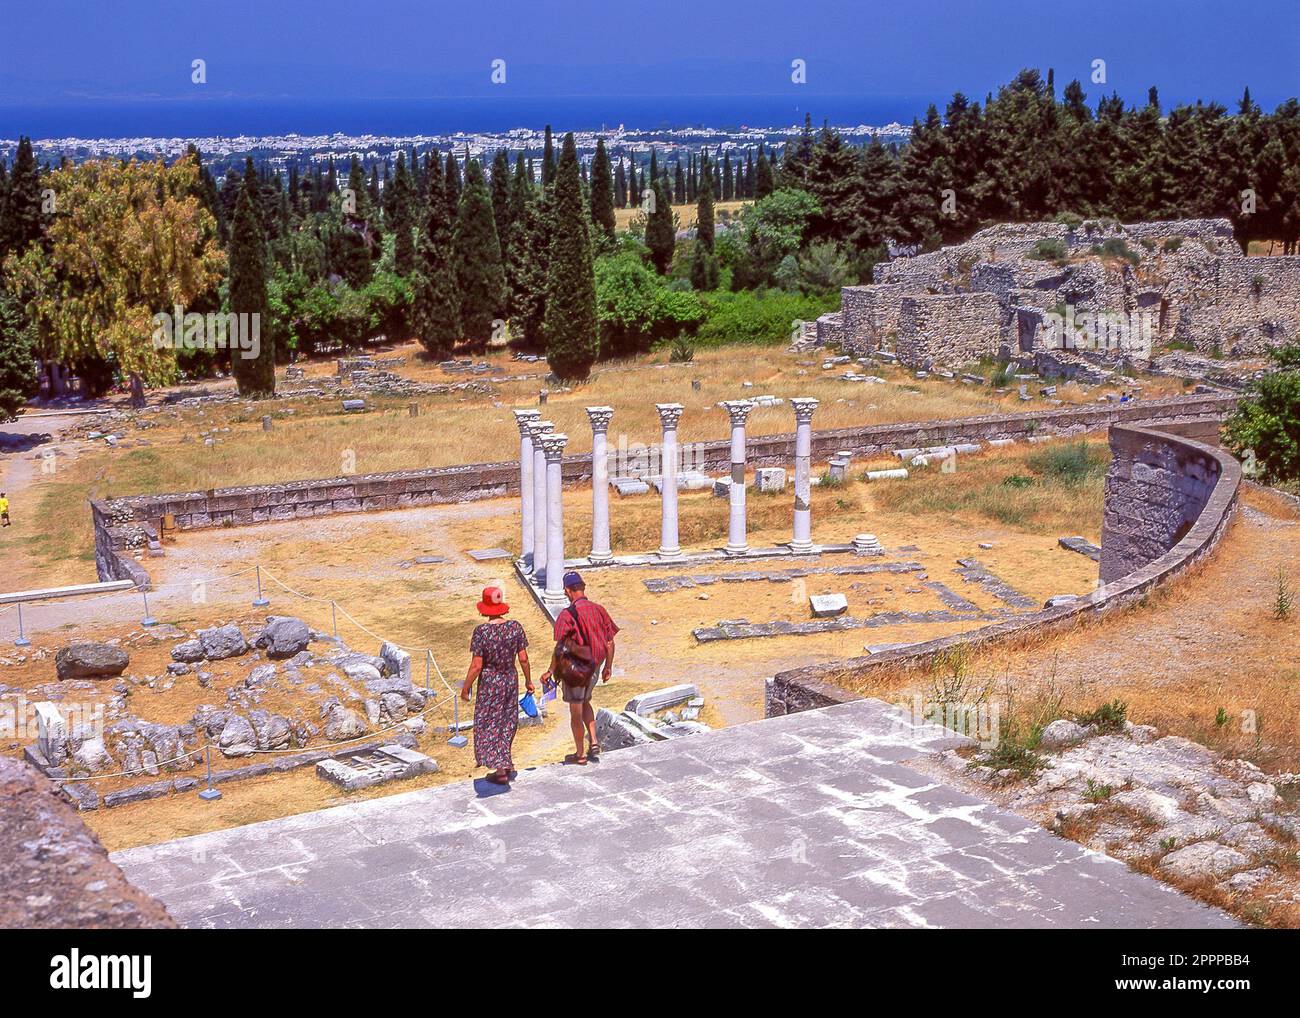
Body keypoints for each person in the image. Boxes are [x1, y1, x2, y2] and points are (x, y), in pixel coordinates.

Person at [539, 571, 618, 765]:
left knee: (575, 711)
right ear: (582, 587)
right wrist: (608, 666)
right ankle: (594, 740)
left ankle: (580, 754)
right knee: (585, 701)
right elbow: (609, 643)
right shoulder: (599, 610)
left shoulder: (566, 616)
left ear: (567, 590)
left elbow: (561, 647)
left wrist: (550, 671)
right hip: (595, 666)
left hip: (575, 670)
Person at [461, 585, 531, 785]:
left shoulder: (482, 632)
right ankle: (507, 761)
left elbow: (476, 665)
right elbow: (523, 659)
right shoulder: (515, 627)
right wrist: (528, 680)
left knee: (490, 723)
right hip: (510, 679)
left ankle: (500, 770)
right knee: (507, 720)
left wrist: (466, 687)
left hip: (491, 684)